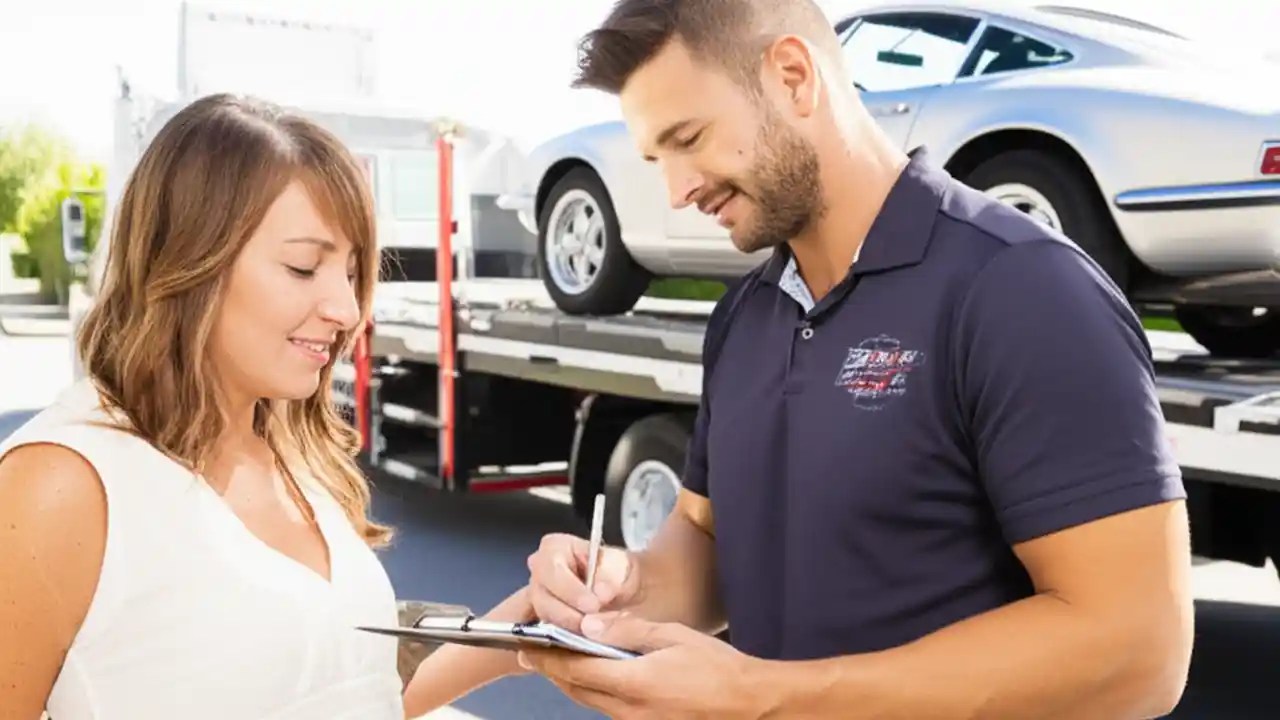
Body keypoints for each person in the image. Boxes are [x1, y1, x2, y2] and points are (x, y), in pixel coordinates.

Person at [406, 0, 1197, 717]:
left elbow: (1138, 651)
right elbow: (708, 542)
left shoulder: (1020, 287)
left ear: (792, 75)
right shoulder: (744, 319)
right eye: (656, 160)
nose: (679, 189)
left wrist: (768, 697)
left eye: (689, 139)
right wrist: (626, 586)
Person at [2, 93, 428, 719]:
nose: (345, 309)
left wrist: (524, 634)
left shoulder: (293, 451)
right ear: (189, 264)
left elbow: (350, 692)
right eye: (304, 267)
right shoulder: (61, 484)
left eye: (353, 271)